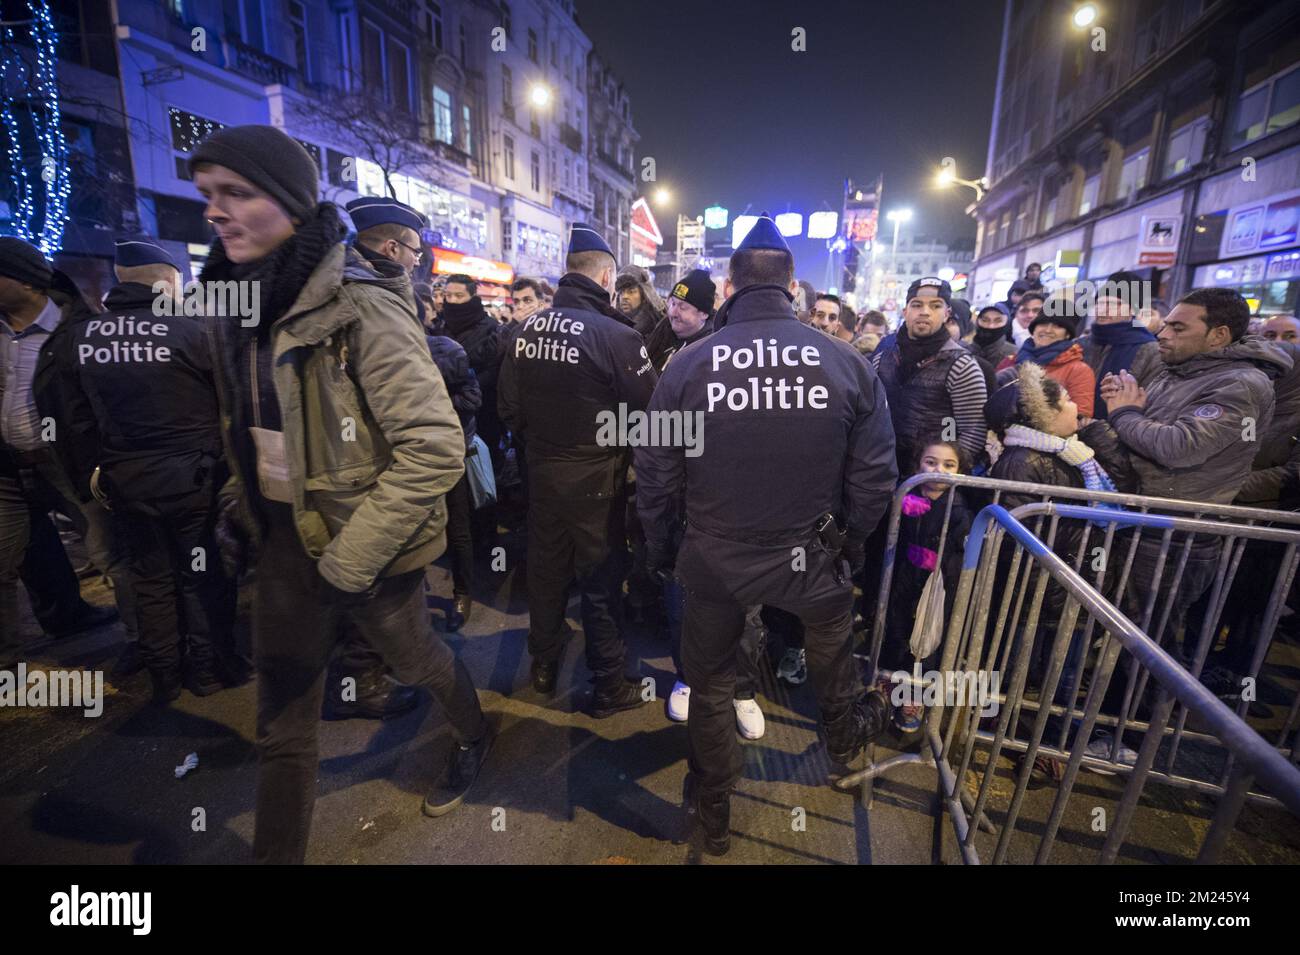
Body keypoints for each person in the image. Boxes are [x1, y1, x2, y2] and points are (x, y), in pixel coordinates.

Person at [189, 125, 489, 862]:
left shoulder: (363, 305)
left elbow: (435, 446)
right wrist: (240, 501)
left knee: (418, 660)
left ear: (290, 203)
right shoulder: (235, 305)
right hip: (286, 547)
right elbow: (254, 425)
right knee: (283, 728)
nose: (216, 212)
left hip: (366, 546)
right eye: (207, 196)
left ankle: (477, 734)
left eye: (237, 193)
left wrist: (350, 559)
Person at [635, 215, 894, 855]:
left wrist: (665, 549)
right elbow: (875, 475)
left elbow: (656, 472)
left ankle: (714, 807)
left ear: (729, 286)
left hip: (716, 554)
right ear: (793, 286)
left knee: (712, 684)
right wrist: (851, 544)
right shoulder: (846, 361)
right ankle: (841, 734)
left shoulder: (690, 364)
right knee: (832, 649)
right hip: (812, 550)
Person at [53, 237, 241, 702]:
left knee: (150, 577)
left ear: (121, 279)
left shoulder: (82, 337)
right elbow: (227, 404)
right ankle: (207, 670)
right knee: (200, 573)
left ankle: (163, 676)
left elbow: (74, 421)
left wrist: (96, 475)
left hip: (125, 482)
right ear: (171, 278)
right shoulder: (194, 332)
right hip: (192, 481)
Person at [497, 224, 657, 715]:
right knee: (601, 578)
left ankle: (543, 666)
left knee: (545, 571)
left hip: (542, 474)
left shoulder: (524, 331)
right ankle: (609, 682)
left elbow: (508, 408)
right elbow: (653, 415)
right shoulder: (617, 336)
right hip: (596, 482)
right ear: (606, 276)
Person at [1101, 287, 1291, 667]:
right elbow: (1145, 430)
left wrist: (1124, 414)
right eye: (1166, 325)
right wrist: (1125, 407)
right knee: (1129, 632)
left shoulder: (1240, 384)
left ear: (1218, 334)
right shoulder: (1178, 372)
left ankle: (1140, 719)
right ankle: (1119, 712)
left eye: (1177, 328)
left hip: (1179, 533)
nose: (1163, 335)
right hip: (1147, 518)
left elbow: (1179, 447)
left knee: (1149, 642)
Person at [1, 237, 133, 670]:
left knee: (110, 551)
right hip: (7, 467)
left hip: (68, 464)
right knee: (13, 556)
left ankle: (148, 642)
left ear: (24, 282)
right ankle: (8, 664)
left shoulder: (80, 328)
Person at [879, 437, 972, 733]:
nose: (938, 470)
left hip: (937, 590)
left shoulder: (960, 509)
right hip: (901, 581)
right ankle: (886, 686)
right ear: (919, 463)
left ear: (959, 471)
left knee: (926, 646)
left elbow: (963, 551)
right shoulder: (904, 494)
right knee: (894, 632)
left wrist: (938, 560)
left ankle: (913, 697)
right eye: (931, 462)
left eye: (948, 464)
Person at [871, 276, 988, 474]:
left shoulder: (961, 365)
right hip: (882, 471)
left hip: (930, 482)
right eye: (917, 305)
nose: (925, 312)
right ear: (905, 311)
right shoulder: (882, 359)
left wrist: (942, 474)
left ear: (946, 314)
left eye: (935, 306)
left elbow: (973, 431)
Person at [1075, 271, 1162, 417]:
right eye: (1100, 303)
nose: (1103, 310)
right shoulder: (1079, 345)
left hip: (1119, 431)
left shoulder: (1151, 350)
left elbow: (1151, 403)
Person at [996, 302, 1096, 417]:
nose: (1048, 330)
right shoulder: (1011, 361)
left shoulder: (1079, 371)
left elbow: (1080, 416)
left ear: (1067, 334)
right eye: (1043, 324)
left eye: (1057, 326)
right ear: (1033, 329)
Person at [646, 268, 715, 373]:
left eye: (683, 307)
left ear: (704, 313)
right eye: (673, 304)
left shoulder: (711, 350)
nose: (673, 313)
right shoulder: (661, 332)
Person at [615, 263, 664, 337]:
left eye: (631, 292)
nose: (624, 297)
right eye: (621, 292)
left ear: (644, 295)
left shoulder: (660, 324)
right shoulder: (613, 322)